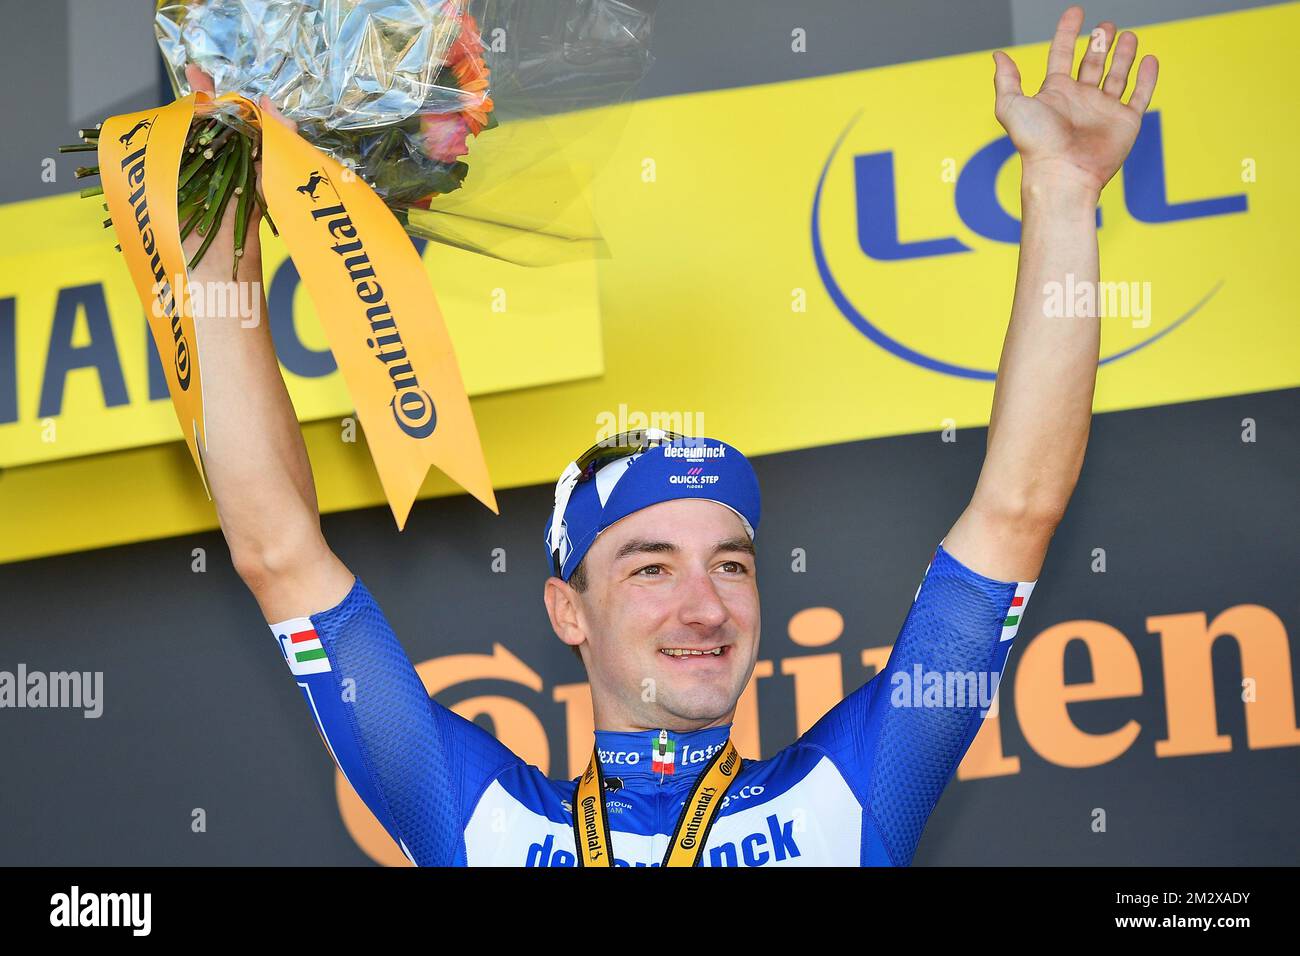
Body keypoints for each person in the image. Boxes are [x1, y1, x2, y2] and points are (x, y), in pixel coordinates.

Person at [186, 4, 1157, 866]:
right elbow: (277, 550)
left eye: (730, 565)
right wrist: (213, 210)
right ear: (568, 612)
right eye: (651, 566)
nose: (706, 605)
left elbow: (1018, 508)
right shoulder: (471, 815)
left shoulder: (850, 795)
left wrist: (1064, 196)